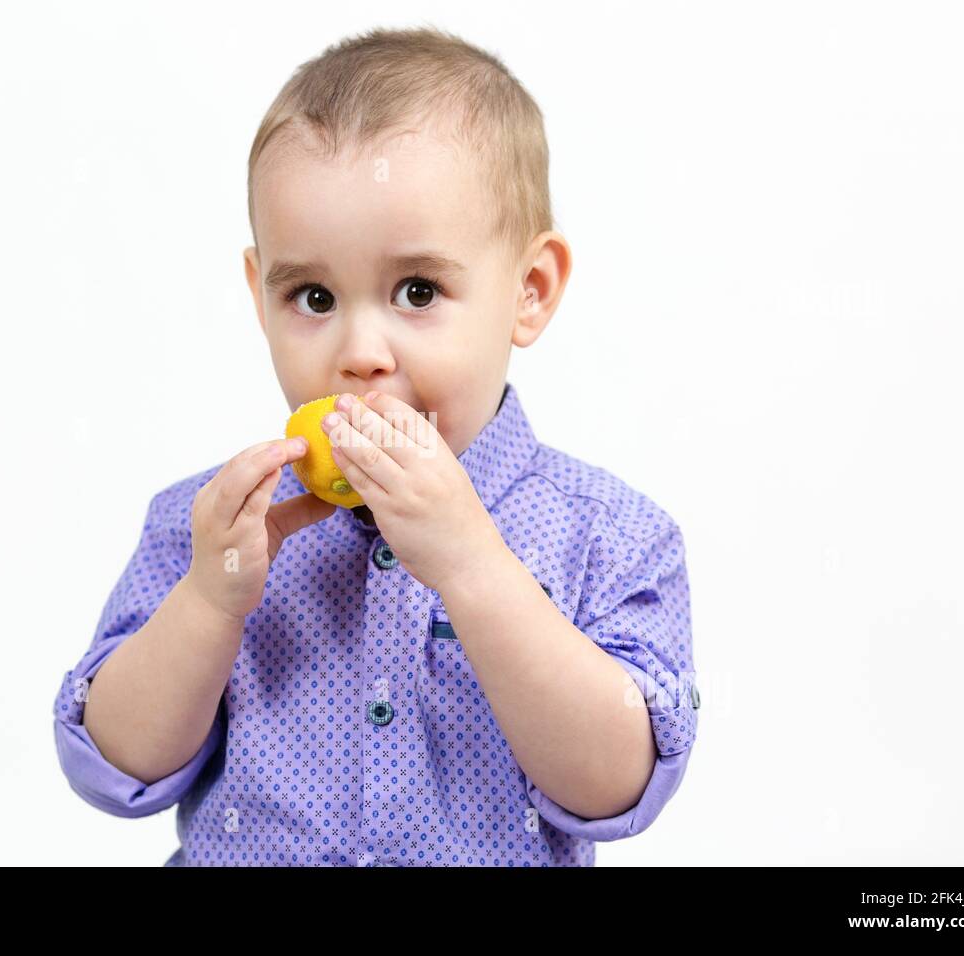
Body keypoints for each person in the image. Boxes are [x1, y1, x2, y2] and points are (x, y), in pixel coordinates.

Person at [52, 25, 699, 866]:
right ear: (260, 297)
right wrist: (210, 600)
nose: (360, 350)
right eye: (314, 295)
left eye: (418, 290)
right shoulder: (211, 526)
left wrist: (471, 565)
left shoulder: (607, 534)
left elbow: (617, 785)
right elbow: (116, 768)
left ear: (529, 293)